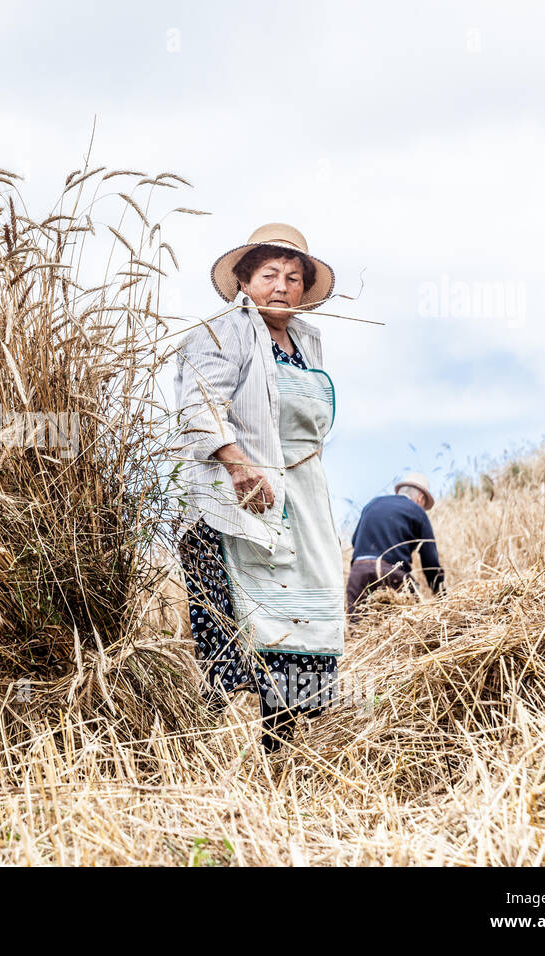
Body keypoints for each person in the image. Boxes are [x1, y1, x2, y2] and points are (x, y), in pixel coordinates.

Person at [173, 223, 343, 754]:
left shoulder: (308, 341)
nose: (281, 286)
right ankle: (201, 758)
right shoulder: (223, 332)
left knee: (302, 627)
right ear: (244, 282)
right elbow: (198, 405)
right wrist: (239, 465)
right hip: (240, 500)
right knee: (240, 633)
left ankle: (281, 758)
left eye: (294, 278)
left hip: (304, 502)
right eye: (269, 274)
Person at [345, 473, 445, 618]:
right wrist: (441, 595)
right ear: (421, 498)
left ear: (399, 492)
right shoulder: (417, 511)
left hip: (358, 574)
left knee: (358, 631)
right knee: (415, 624)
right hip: (391, 574)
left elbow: (355, 541)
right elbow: (429, 560)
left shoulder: (372, 504)